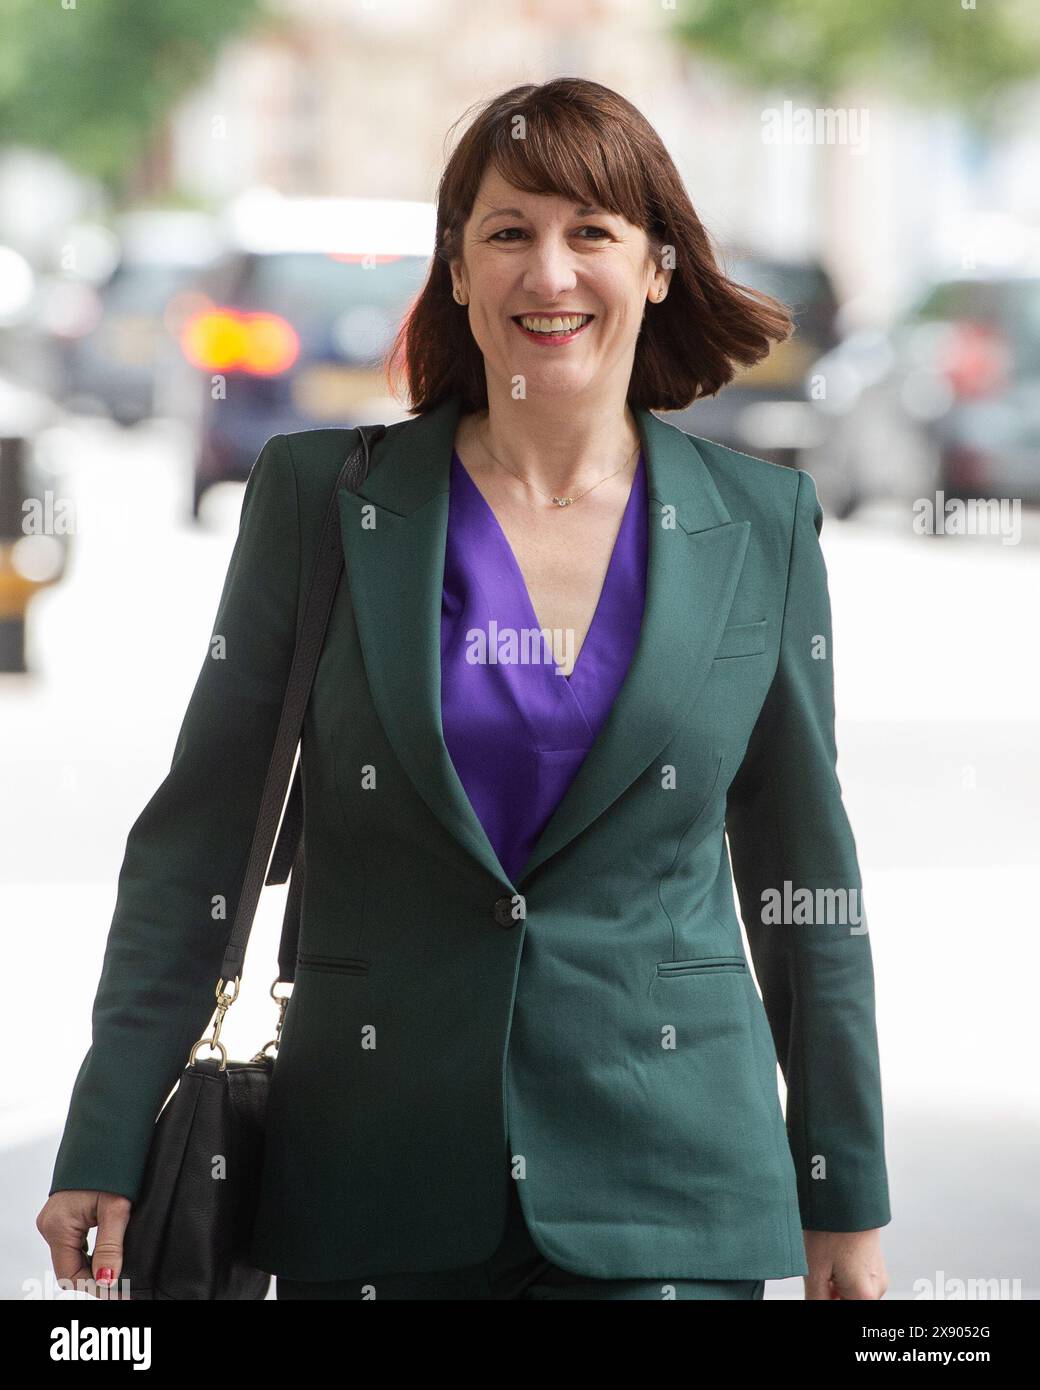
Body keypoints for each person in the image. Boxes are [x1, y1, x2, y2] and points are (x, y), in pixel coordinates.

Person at [38, 76, 891, 1301]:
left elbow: (804, 877)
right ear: (454, 270)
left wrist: (842, 1192)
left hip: (669, 1203)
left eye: (590, 233)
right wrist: (108, 1129)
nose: (549, 274)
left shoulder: (758, 525)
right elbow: (198, 841)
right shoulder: (320, 503)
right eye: (508, 233)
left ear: (654, 266)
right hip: (369, 1190)